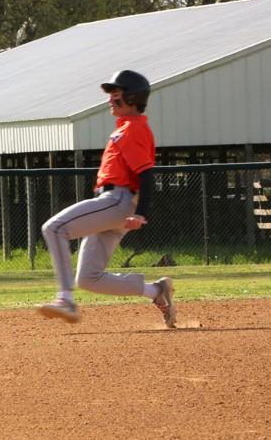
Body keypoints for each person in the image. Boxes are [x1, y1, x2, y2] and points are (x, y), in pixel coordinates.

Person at [36, 70, 176, 327]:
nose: (111, 100)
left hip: (117, 200)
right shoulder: (126, 128)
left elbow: (146, 175)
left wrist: (141, 213)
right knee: (88, 278)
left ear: (132, 98)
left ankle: (65, 299)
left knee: (54, 228)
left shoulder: (132, 129)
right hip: (115, 204)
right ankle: (156, 291)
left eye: (116, 95)